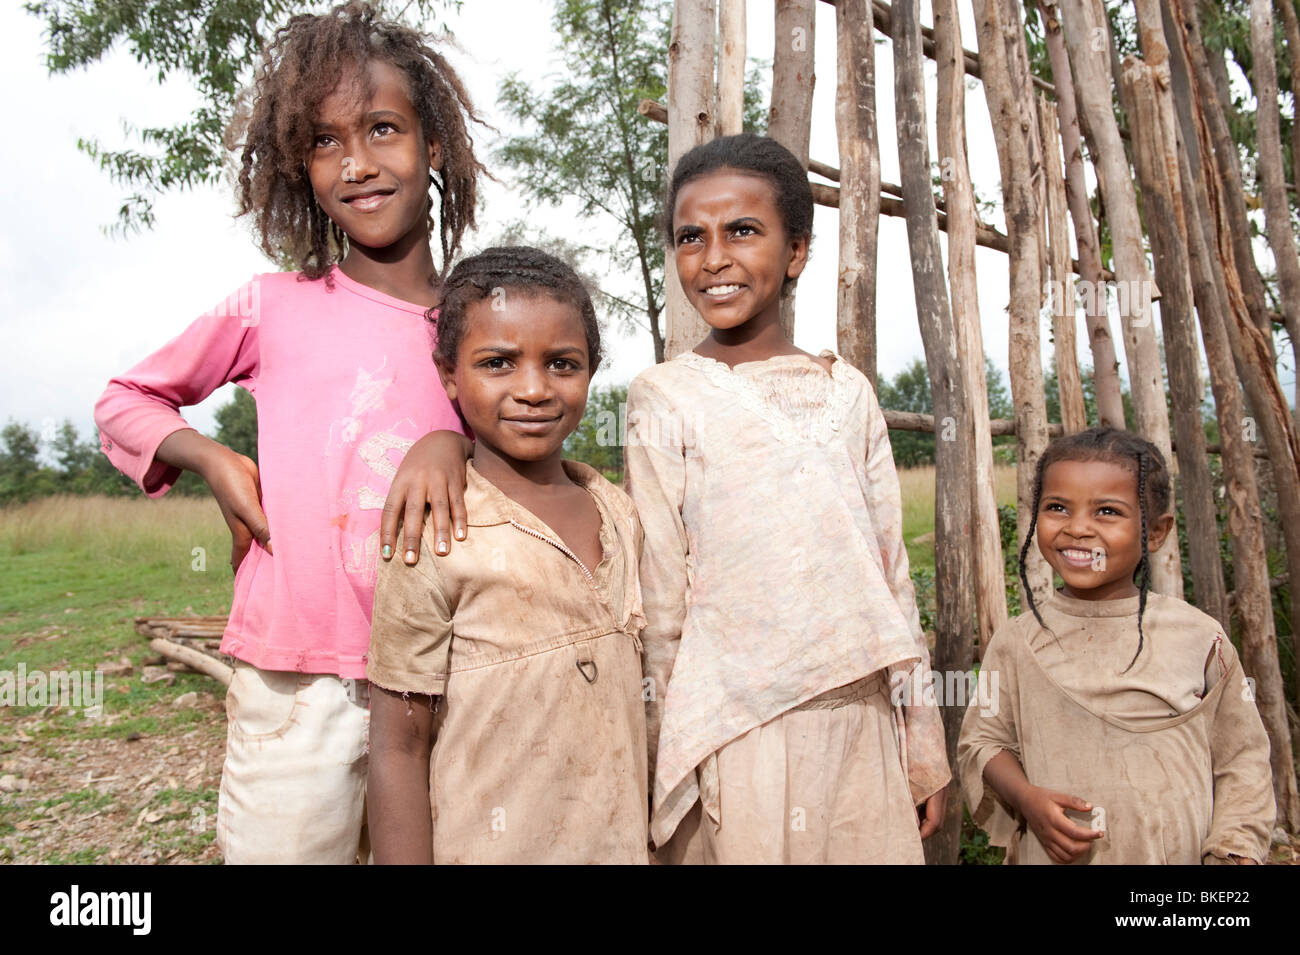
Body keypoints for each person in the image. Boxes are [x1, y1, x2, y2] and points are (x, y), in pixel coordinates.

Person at [92, 1, 483, 863]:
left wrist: (453, 442)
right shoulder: (272, 307)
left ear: (435, 147)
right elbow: (126, 399)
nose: (357, 163)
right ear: (297, 167)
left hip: (446, 677)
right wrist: (212, 459)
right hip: (295, 682)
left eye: (383, 129)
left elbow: (519, 453)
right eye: (323, 141)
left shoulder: (481, 324)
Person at [625, 133, 950, 864]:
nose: (713, 258)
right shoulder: (664, 395)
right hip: (735, 734)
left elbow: (891, 573)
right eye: (690, 237)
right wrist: (659, 764)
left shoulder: (850, 392)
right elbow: (661, 602)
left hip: (859, 723)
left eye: (742, 230)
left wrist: (922, 739)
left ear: (797, 250)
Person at [366, 247, 649, 864]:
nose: (532, 388)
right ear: (448, 376)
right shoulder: (435, 526)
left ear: (592, 370)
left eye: (561, 363)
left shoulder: (620, 514)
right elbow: (398, 745)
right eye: (497, 362)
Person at [957, 428, 1275, 864]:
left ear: (1156, 532)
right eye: (1057, 508)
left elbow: (1243, 758)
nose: (1078, 528)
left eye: (1107, 511)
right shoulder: (1017, 643)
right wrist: (1027, 798)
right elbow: (982, 743)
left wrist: (1234, 848)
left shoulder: (1198, 637)